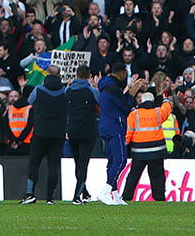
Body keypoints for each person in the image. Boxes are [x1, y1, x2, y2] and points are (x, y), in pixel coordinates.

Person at [21, 67, 66, 205]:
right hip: (58, 134)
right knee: (53, 165)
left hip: (40, 132)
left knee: (34, 163)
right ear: (59, 75)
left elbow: (29, 101)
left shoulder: (38, 90)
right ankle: (50, 198)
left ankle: (30, 194)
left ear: (46, 74)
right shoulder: (65, 91)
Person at [98, 69, 140, 205]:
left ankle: (115, 195)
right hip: (115, 127)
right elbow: (126, 108)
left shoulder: (104, 87)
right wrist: (131, 94)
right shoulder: (114, 89)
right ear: (120, 74)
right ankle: (106, 191)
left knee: (111, 161)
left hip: (105, 126)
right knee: (120, 160)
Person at [122, 91, 173, 202]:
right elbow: (167, 109)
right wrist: (166, 99)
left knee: (133, 176)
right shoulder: (158, 112)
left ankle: (126, 197)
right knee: (157, 177)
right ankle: (159, 199)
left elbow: (128, 133)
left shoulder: (134, 114)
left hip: (139, 152)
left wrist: (123, 147)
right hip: (157, 151)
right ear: (153, 101)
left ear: (141, 101)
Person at [66, 65, 100, 205]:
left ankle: (84, 193)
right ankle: (77, 195)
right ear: (89, 77)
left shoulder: (68, 90)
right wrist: (96, 87)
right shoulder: (92, 91)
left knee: (77, 162)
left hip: (72, 130)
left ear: (76, 75)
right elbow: (101, 104)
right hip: (88, 131)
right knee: (83, 163)